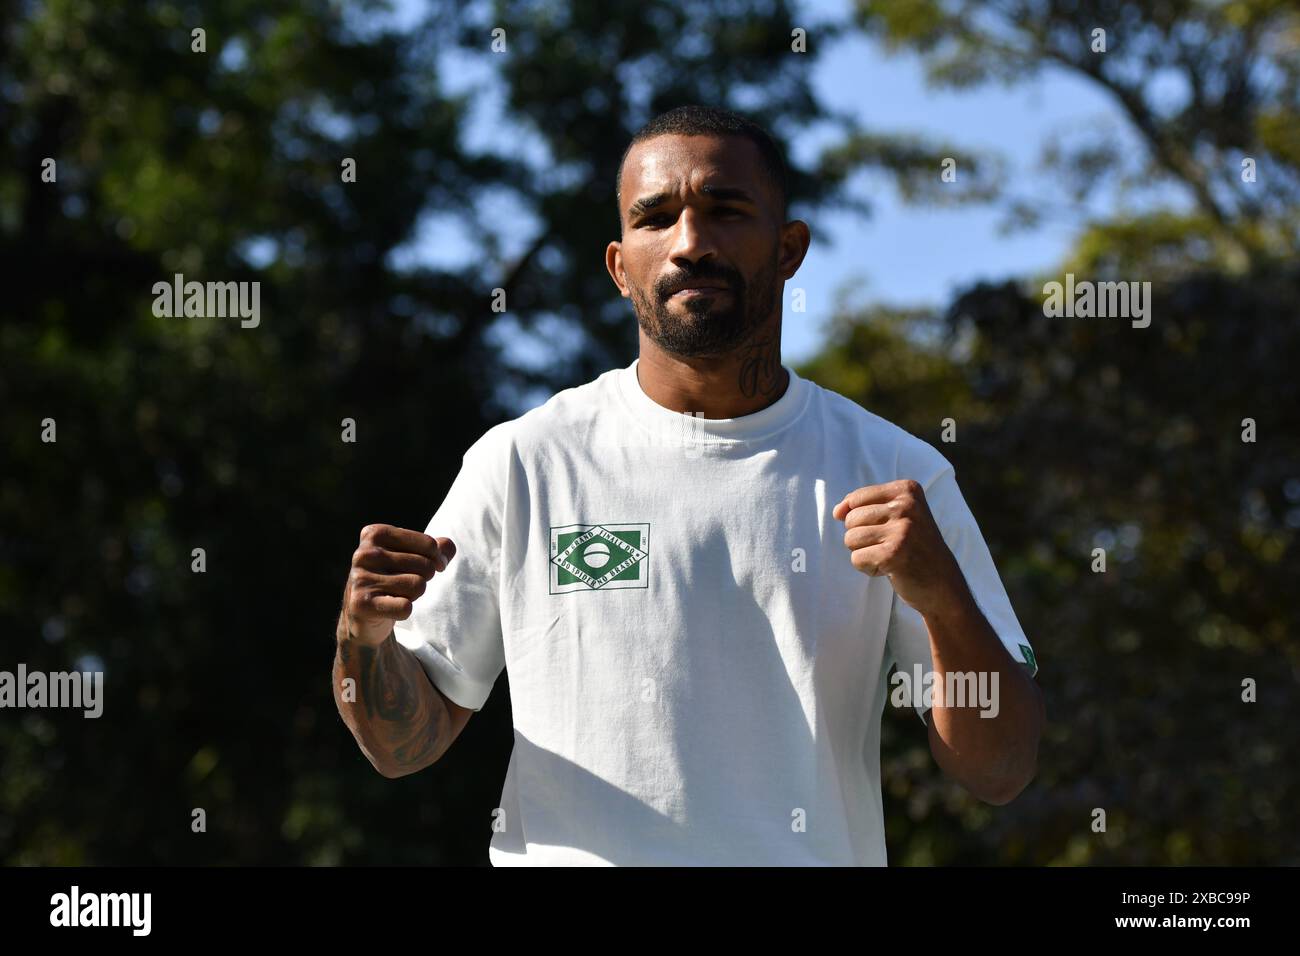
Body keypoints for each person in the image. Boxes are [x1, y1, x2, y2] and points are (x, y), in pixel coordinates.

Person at [332, 104, 1045, 866]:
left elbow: (999, 770)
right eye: (655, 218)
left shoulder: (896, 473)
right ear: (618, 265)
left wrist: (943, 599)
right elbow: (403, 748)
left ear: (788, 249)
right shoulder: (525, 462)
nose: (689, 245)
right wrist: (360, 638)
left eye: (726, 211)